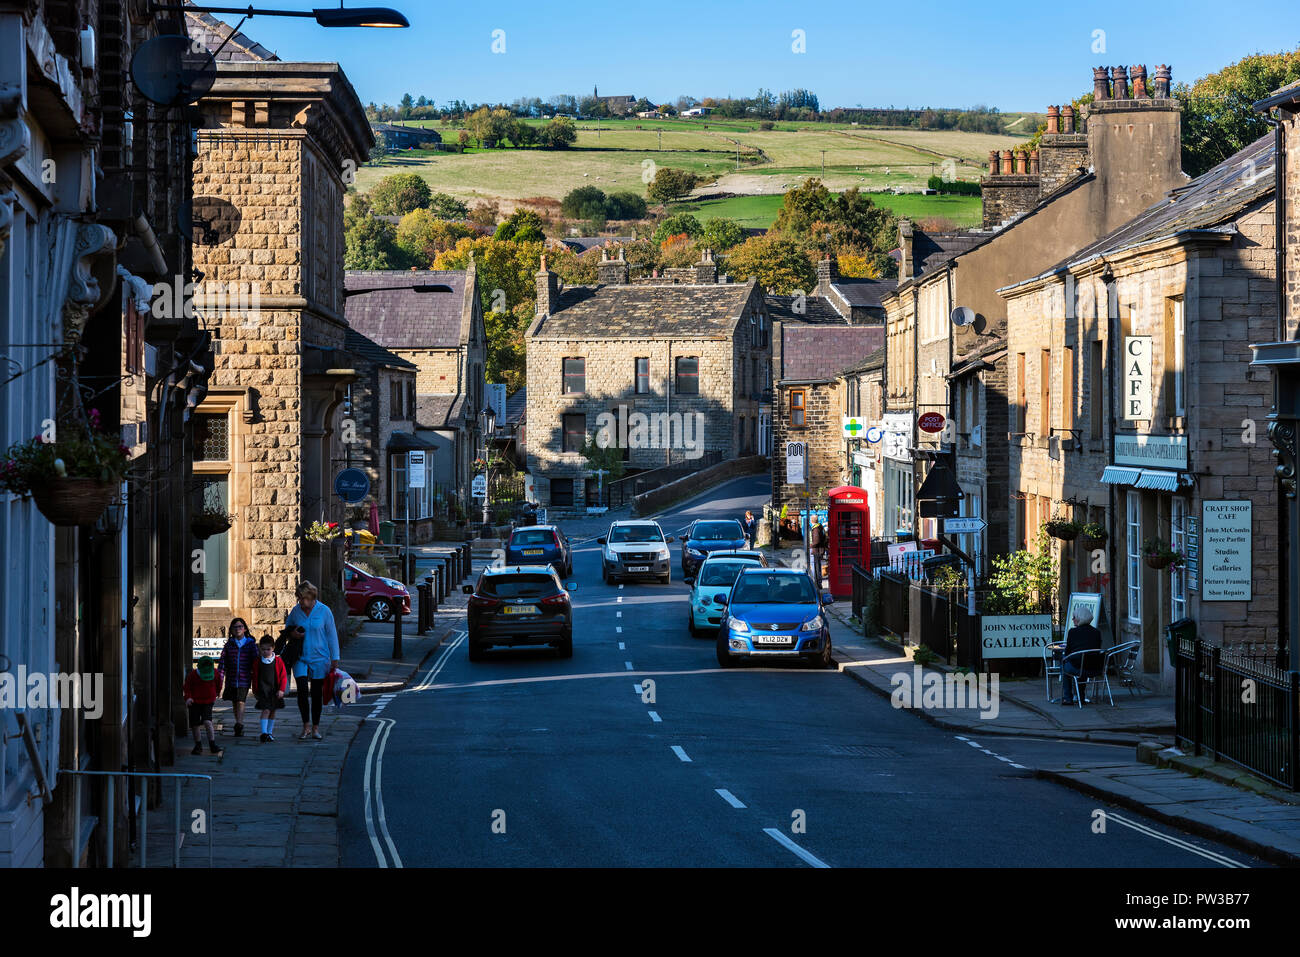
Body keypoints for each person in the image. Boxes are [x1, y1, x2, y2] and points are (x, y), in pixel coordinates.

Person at [285, 580, 340, 741]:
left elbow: (332, 635)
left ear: (311, 596)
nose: (301, 602)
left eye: (304, 599)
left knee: (316, 694)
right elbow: (287, 629)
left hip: (320, 658)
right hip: (301, 657)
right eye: (299, 599)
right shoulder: (296, 612)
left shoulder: (324, 611)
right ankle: (306, 726)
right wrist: (293, 634)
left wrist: (335, 658)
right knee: (302, 692)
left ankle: (316, 727)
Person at [219, 617, 257, 737]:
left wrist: (256, 677)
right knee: (235, 701)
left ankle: (239, 724)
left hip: (244, 678)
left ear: (245, 629)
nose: (238, 629)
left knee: (241, 700)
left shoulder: (250, 644)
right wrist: (219, 679)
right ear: (231, 630)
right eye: (235, 627)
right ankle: (238, 722)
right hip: (231, 678)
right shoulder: (229, 645)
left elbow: (256, 661)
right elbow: (223, 662)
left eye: (240, 626)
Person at [1061, 605, 1103, 706]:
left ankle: (1068, 697)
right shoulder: (1097, 632)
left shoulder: (1073, 632)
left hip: (1079, 668)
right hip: (1095, 668)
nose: (1073, 619)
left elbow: (1068, 652)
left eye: (1074, 617)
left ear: (1079, 618)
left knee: (1064, 663)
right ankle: (1081, 696)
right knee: (1082, 661)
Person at [183, 655, 224, 756]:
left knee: (207, 722)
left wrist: (218, 692)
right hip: (195, 702)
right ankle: (198, 745)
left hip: (208, 701)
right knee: (195, 724)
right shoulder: (193, 675)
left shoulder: (215, 673)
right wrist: (188, 698)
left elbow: (219, 683)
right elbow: (187, 688)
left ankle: (212, 744)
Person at [253, 635, 289, 742]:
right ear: (260, 649)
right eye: (263, 649)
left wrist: (282, 689)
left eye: (268, 649)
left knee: (273, 711)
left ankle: (269, 732)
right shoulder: (258, 661)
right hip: (263, 691)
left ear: (273, 648)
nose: (265, 652)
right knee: (266, 710)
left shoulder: (278, 661)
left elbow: (283, 676)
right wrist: (255, 690)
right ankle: (264, 732)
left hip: (275, 691)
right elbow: (255, 676)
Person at [808, 515, 828, 588]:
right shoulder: (820, 527)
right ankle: (818, 583)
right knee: (817, 566)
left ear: (811, 520)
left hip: (815, 550)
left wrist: (810, 546)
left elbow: (816, 541)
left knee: (814, 567)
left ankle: (815, 583)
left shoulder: (816, 529)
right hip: (819, 550)